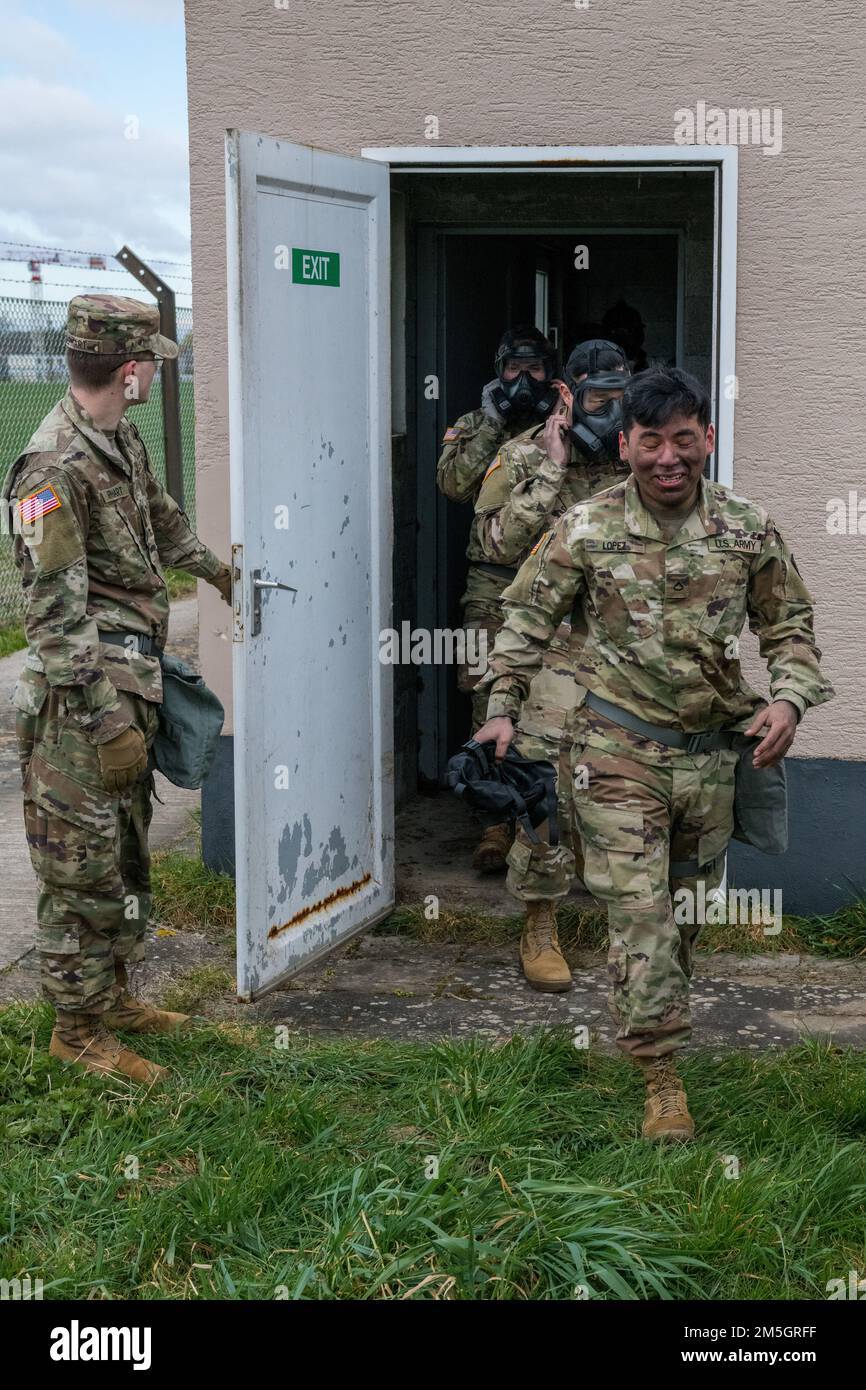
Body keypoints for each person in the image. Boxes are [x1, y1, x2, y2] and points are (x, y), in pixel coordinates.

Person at [474, 367, 834, 1140]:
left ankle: (653, 1015)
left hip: (708, 760)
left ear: (707, 438)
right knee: (639, 915)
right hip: (614, 753)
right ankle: (661, 1077)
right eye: (650, 441)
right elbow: (525, 619)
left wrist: (789, 699)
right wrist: (502, 710)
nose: (667, 458)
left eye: (683, 439)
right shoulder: (586, 527)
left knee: (682, 917)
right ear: (627, 444)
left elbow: (790, 628)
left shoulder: (747, 527)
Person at [1, 294, 233, 1084]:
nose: (152, 378)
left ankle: (117, 998)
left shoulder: (118, 439)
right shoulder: (50, 470)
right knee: (81, 875)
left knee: (128, 859)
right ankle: (76, 1032)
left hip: (129, 686)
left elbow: (161, 522)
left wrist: (218, 571)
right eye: (151, 366)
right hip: (80, 709)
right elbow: (52, 621)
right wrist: (105, 724)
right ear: (129, 369)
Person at [472, 340, 630, 986]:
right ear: (567, 393)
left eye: (619, 397)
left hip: (622, 649)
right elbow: (497, 541)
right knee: (541, 785)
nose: (609, 411)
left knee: (623, 783)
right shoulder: (522, 455)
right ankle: (540, 921)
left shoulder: (639, 456)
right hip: (547, 646)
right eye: (596, 397)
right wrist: (551, 466)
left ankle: (633, 924)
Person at [436, 325, 558, 870]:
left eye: (535, 369)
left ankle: (544, 826)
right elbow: (454, 485)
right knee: (486, 699)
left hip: (553, 586)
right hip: (490, 585)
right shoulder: (473, 424)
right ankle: (493, 824)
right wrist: (488, 422)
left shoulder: (563, 428)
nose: (524, 379)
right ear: (498, 370)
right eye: (515, 368)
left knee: (546, 702)